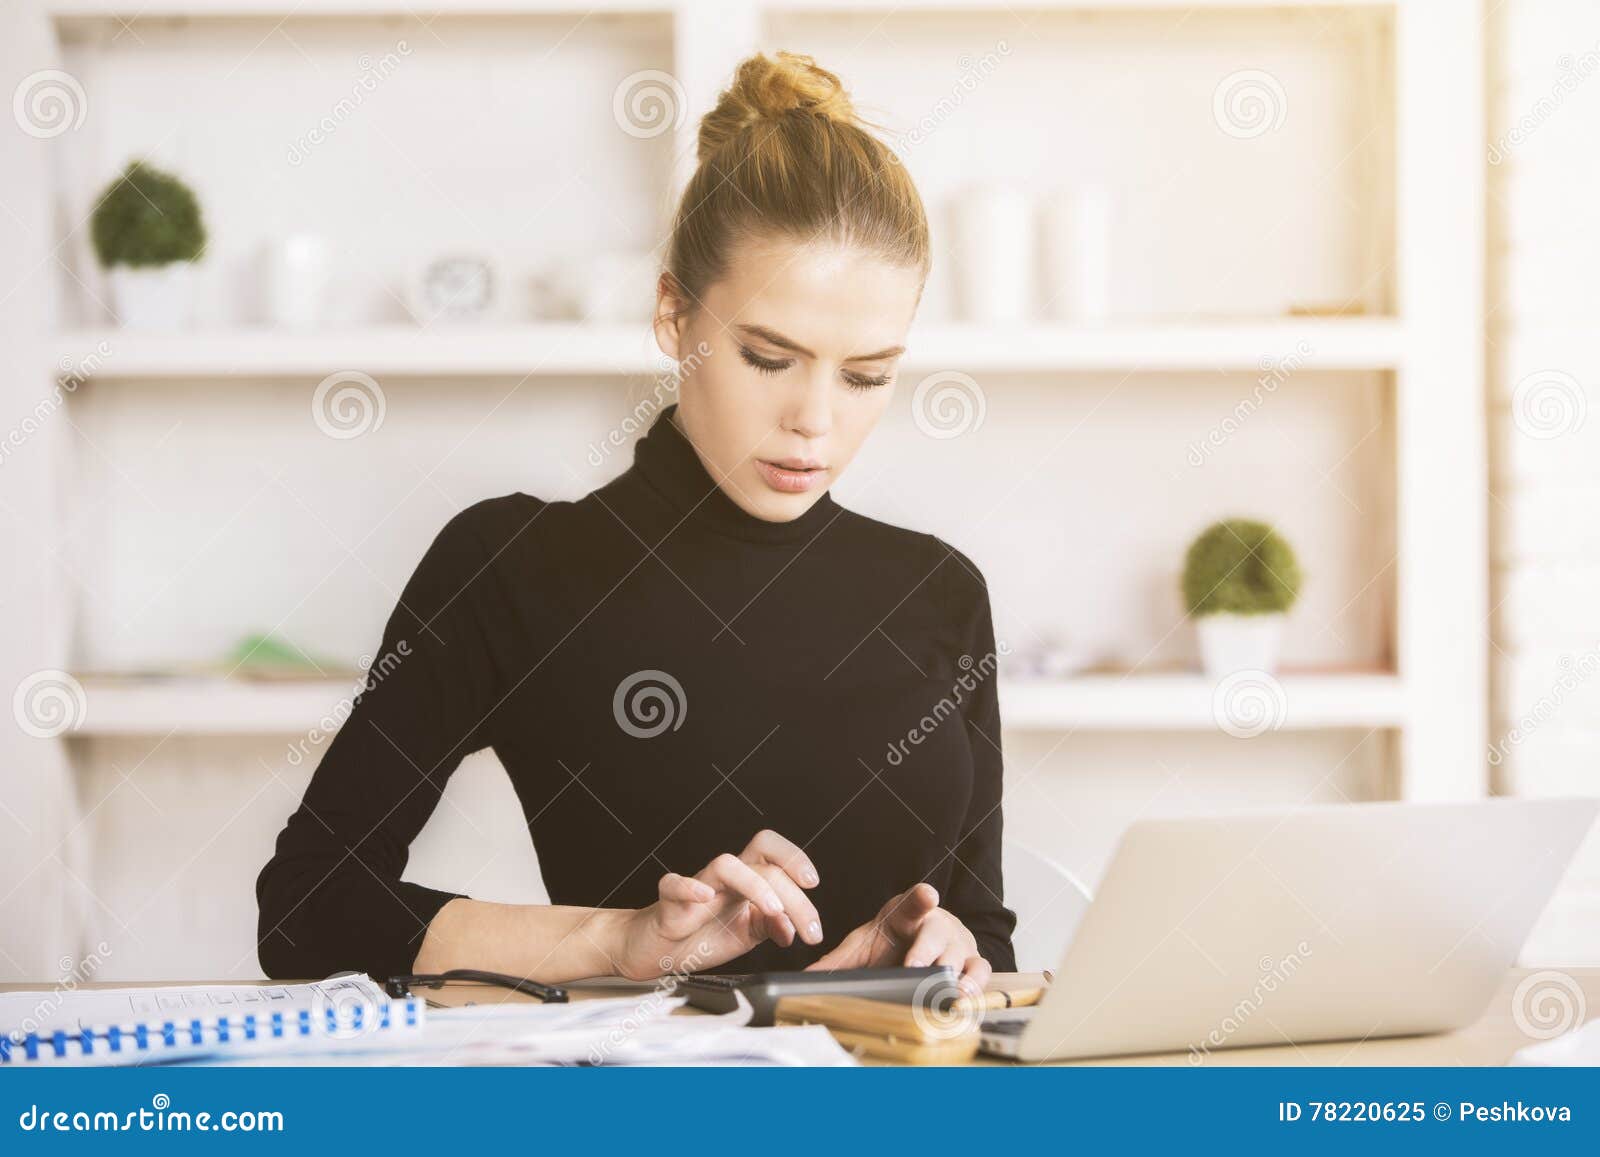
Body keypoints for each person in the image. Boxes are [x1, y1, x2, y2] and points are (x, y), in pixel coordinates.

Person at [256, 49, 1017, 999]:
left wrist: (952, 945)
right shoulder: (515, 568)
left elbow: (987, 931)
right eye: (768, 357)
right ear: (672, 314)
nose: (816, 420)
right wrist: (616, 939)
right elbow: (306, 907)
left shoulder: (938, 593)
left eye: (867, 375)